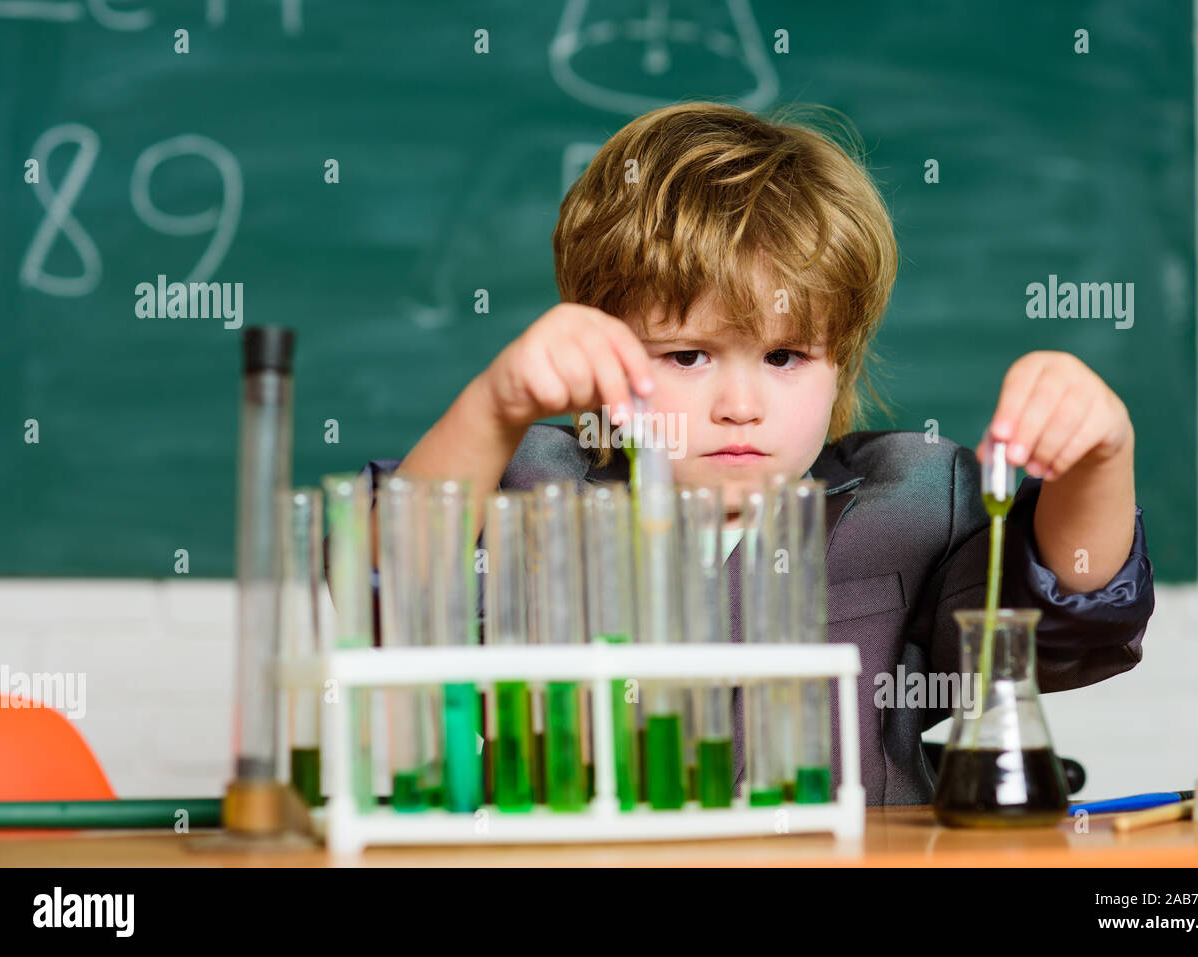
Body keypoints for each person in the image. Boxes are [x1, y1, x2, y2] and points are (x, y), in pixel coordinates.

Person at [358, 102, 1154, 804]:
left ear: (841, 359)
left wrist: (1099, 462)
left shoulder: (915, 498)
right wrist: (492, 406)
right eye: (686, 355)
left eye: (784, 356)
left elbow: (1066, 625)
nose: (740, 404)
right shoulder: (527, 486)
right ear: (597, 348)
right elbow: (385, 588)